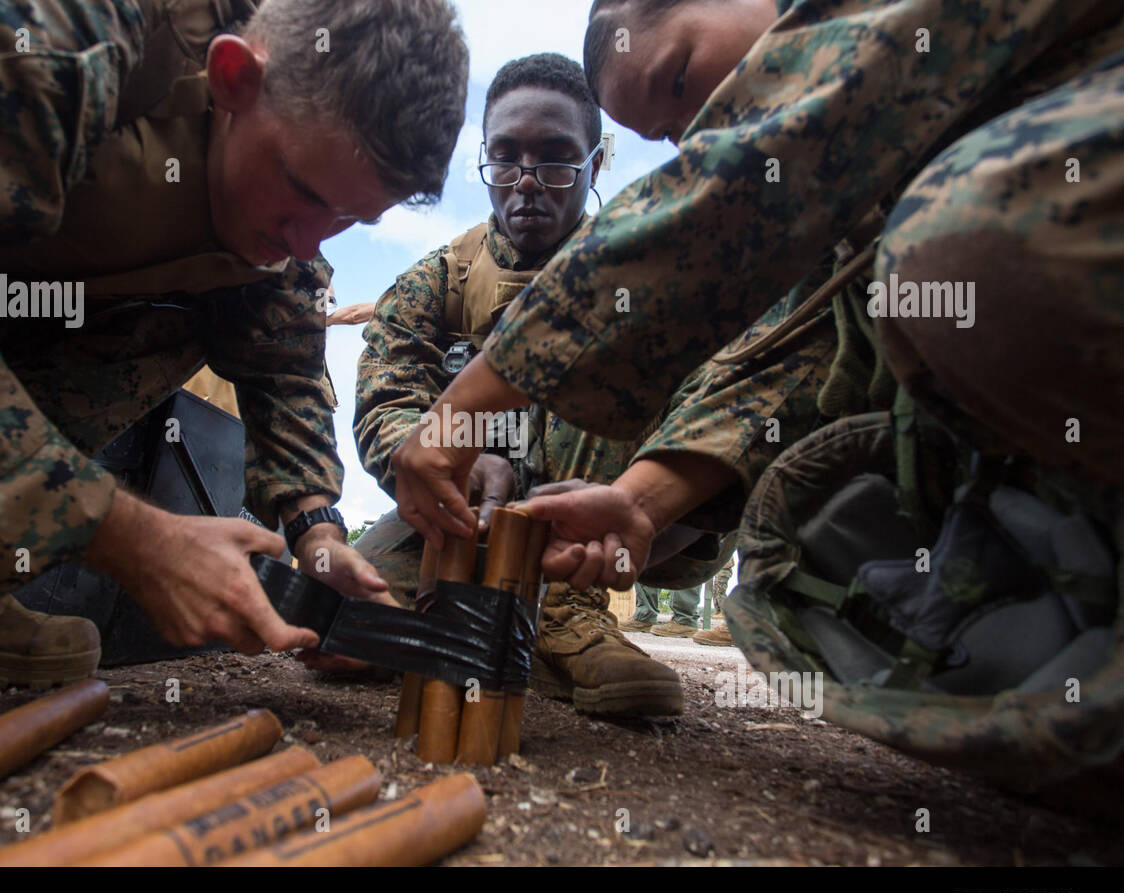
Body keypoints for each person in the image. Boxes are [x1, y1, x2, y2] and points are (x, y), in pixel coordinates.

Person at [0, 0, 469, 685]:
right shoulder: (52, 43)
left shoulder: (281, 207)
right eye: (306, 194)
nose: (308, 240)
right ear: (231, 77)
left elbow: (284, 366)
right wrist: (131, 538)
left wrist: (317, 538)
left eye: (349, 218)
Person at [390, 0, 1122, 594]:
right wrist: (643, 503)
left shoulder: (865, 57)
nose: (700, 130)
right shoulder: (443, 275)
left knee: (940, 259)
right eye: (674, 134)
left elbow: (745, 182)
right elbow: (802, 349)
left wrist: (463, 408)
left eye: (678, 78)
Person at [351, 54, 693, 717]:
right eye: (505, 159)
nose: (527, 182)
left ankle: (565, 613)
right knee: (345, 623)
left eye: (556, 159)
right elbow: (386, 400)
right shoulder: (440, 280)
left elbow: (708, 394)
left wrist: (643, 496)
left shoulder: (641, 267)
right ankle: (491, 617)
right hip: (456, 528)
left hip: (610, 530)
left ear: (595, 167)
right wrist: (450, 460)